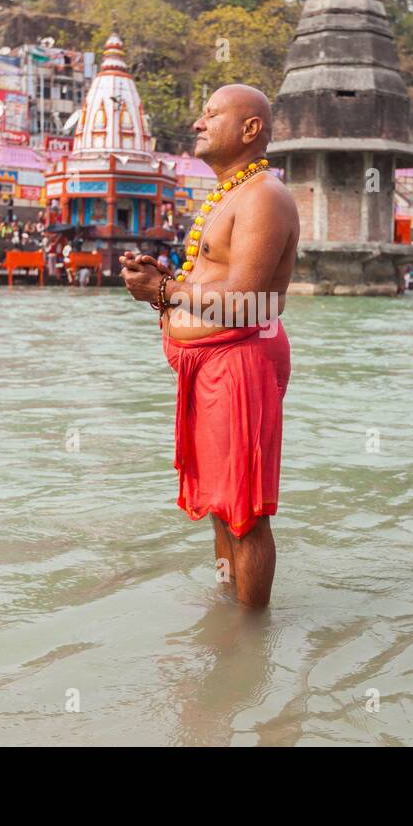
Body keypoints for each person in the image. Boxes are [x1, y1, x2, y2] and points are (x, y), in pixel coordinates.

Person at [119, 84, 297, 610]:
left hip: (240, 363)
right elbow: (214, 285)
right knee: (223, 506)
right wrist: (164, 287)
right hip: (208, 367)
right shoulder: (230, 193)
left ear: (250, 130)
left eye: (212, 114)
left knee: (244, 511)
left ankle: (250, 639)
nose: (198, 123)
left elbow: (252, 303)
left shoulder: (264, 195)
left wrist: (167, 291)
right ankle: (230, 618)